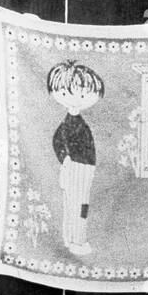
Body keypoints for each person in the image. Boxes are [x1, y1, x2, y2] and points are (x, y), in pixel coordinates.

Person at [47, 59, 104, 255]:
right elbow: (58, 141)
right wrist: (66, 159)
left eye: (83, 94)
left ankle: (70, 238)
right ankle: (76, 241)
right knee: (79, 205)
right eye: (67, 92)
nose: (77, 98)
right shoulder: (71, 124)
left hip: (82, 167)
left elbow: (58, 140)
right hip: (78, 168)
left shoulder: (74, 122)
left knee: (75, 203)